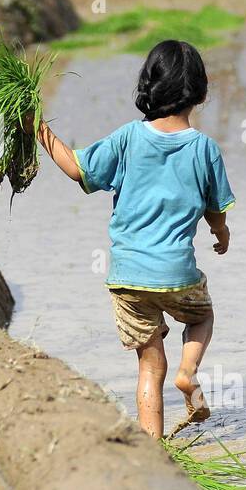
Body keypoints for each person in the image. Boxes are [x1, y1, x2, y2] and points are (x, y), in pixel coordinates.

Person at [34, 39, 233, 439]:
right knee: (202, 315)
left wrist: (36, 125)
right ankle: (188, 372)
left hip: (127, 278)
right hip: (176, 272)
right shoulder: (204, 149)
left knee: (148, 364)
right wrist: (221, 232)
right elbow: (216, 208)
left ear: (148, 85)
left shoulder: (127, 138)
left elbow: (77, 169)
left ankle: (154, 451)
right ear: (200, 91)